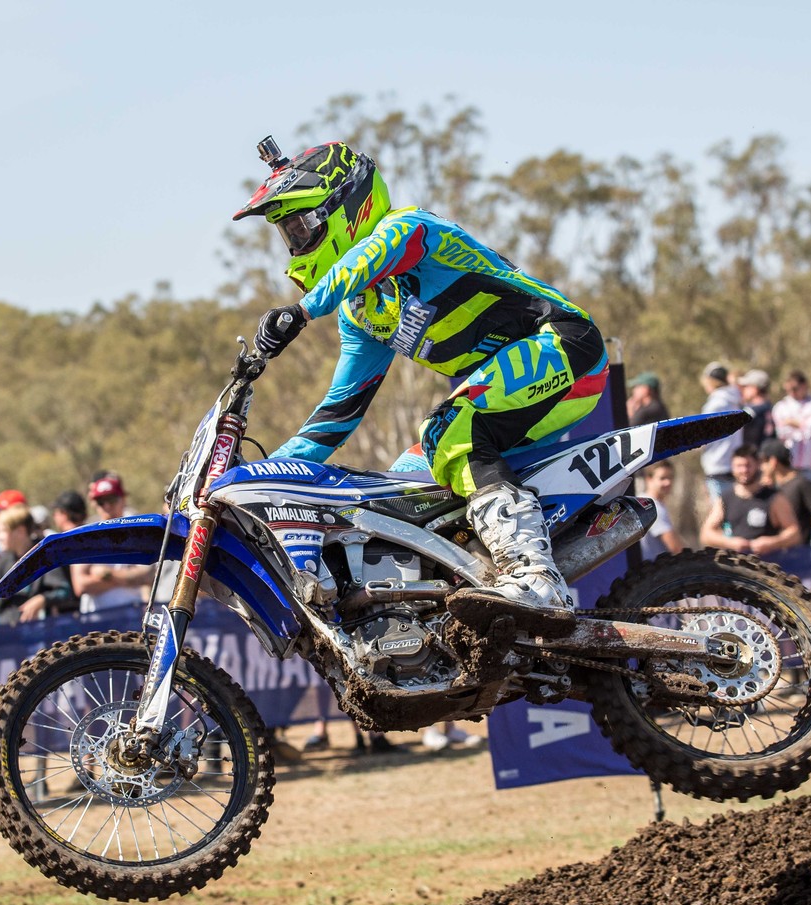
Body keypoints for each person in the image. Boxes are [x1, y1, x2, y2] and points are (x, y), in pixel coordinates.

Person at [238, 138, 608, 631]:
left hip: (564, 345)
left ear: (346, 206)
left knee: (449, 431)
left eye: (302, 225)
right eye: (288, 232)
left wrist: (303, 311)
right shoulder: (362, 310)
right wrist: (257, 480)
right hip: (520, 386)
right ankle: (449, 617)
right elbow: (337, 415)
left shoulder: (409, 229)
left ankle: (536, 578)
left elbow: (368, 259)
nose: (296, 243)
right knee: (405, 485)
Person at [72, 474, 152, 616]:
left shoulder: (138, 531)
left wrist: (106, 574)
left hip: (132, 615)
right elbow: (80, 585)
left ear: (123, 499)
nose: (107, 506)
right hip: (97, 620)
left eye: (112, 499)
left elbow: (149, 576)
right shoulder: (85, 536)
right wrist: (128, 578)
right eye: (101, 502)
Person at [699, 445, 801, 557]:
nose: (744, 470)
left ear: (758, 465)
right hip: (735, 566)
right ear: (732, 467)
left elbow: (794, 533)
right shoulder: (725, 498)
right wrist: (730, 542)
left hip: (768, 566)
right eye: (739, 466)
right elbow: (706, 534)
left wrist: (773, 542)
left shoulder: (774, 498)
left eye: (748, 465)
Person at [0, 505, 76, 623]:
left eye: (3, 531)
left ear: (20, 531)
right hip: (13, 633)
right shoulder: (5, 560)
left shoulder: (44, 554)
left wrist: (42, 599)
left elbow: (64, 591)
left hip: (45, 631)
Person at [759, 439, 811, 551]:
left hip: (798, 555)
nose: (761, 467)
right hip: (773, 553)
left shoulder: (801, 483)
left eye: (763, 462)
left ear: (773, 462)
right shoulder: (772, 488)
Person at [771, 370, 811, 486]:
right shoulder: (781, 407)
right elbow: (782, 432)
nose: (791, 393)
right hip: (789, 469)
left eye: (795, 388)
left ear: (804, 386)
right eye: (788, 389)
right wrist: (807, 425)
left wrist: (797, 424)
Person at [699, 363, 745, 501]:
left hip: (717, 464)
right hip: (734, 463)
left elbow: (702, 434)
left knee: (720, 513)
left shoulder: (715, 404)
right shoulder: (736, 400)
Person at [636, 461, 687, 561]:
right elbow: (676, 548)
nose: (668, 482)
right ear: (649, 479)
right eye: (662, 478)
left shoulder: (644, 501)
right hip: (654, 570)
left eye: (670, 477)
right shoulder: (652, 507)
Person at [737, 369, 777, 450]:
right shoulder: (772, 408)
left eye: (746, 386)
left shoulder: (750, 412)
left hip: (753, 457)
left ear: (755, 389)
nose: (742, 389)